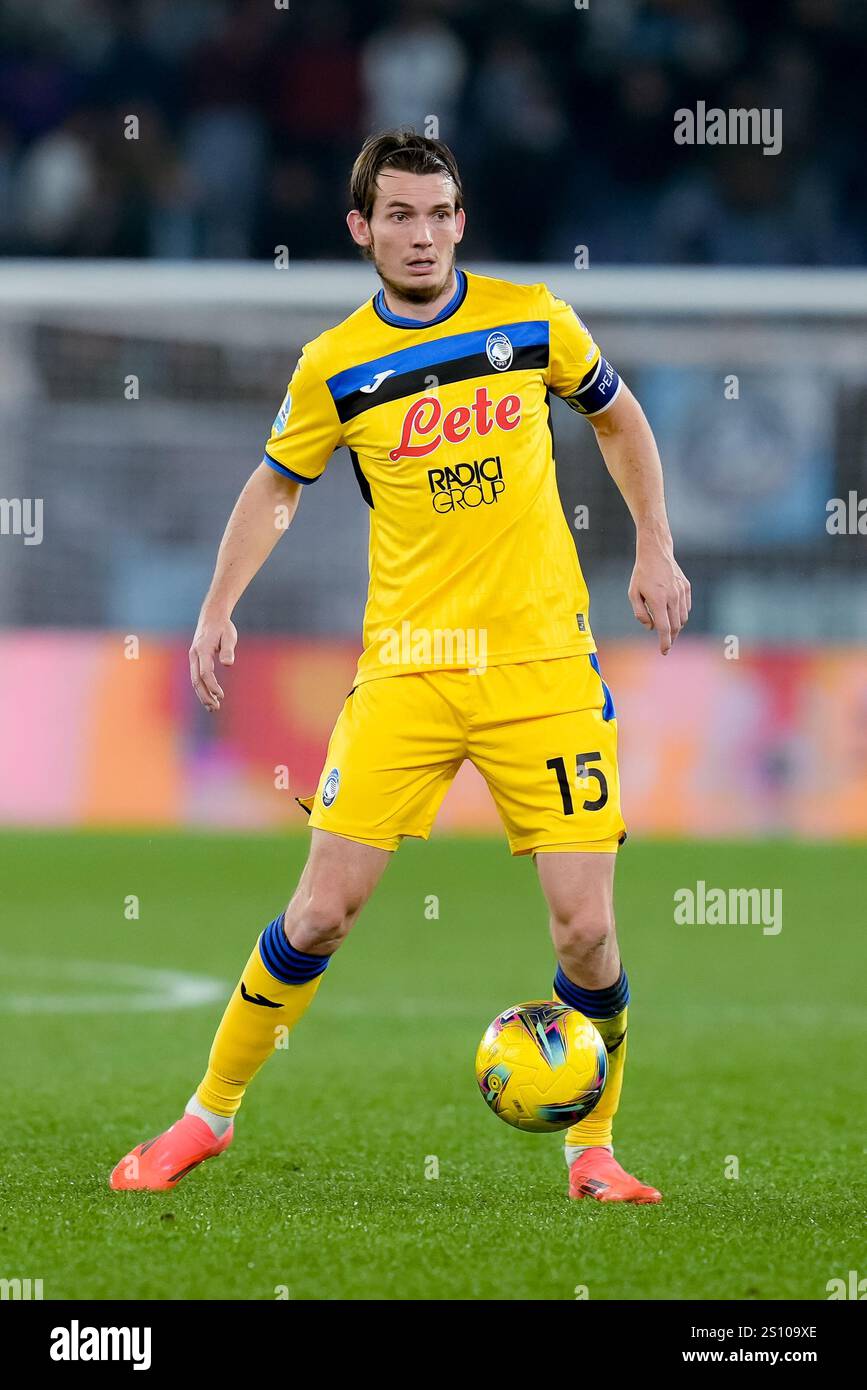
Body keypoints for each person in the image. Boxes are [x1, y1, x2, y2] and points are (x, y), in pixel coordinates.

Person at [110, 129, 690, 1202]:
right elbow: (279, 483)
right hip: (409, 670)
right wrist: (216, 605)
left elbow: (620, 417)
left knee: (588, 926)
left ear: (461, 220)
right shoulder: (335, 362)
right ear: (361, 229)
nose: (421, 236)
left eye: (439, 215)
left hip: (544, 664)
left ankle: (592, 1149)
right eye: (399, 218)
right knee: (321, 910)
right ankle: (208, 1116)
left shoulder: (531, 319)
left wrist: (654, 542)